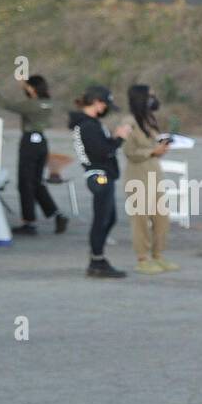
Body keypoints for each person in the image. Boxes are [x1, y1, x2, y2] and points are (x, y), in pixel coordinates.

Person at [0, 72, 65, 235]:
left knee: (25, 184)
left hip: (29, 144)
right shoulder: (47, 103)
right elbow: (31, 98)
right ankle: (56, 214)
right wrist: (25, 84)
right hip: (41, 143)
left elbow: (7, 104)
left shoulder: (32, 105)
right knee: (36, 182)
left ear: (33, 89)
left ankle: (29, 222)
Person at [69, 85, 131, 278]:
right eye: (105, 105)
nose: (106, 110)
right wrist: (119, 138)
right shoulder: (88, 125)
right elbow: (103, 151)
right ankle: (97, 260)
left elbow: (100, 148)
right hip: (99, 176)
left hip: (100, 174)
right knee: (101, 219)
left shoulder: (90, 123)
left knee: (108, 218)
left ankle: (98, 257)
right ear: (97, 103)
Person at [120, 84, 177, 275]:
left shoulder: (149, 120)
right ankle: (143, 258)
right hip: (137, 176)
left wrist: (160, 147)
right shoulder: (129, 122)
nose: (154, 99)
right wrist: (152, 150)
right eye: (150, 96)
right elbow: (129, 152)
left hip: (154, 174)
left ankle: (158, 255)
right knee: (141, 220)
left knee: (162, 218)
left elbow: (152, 147)